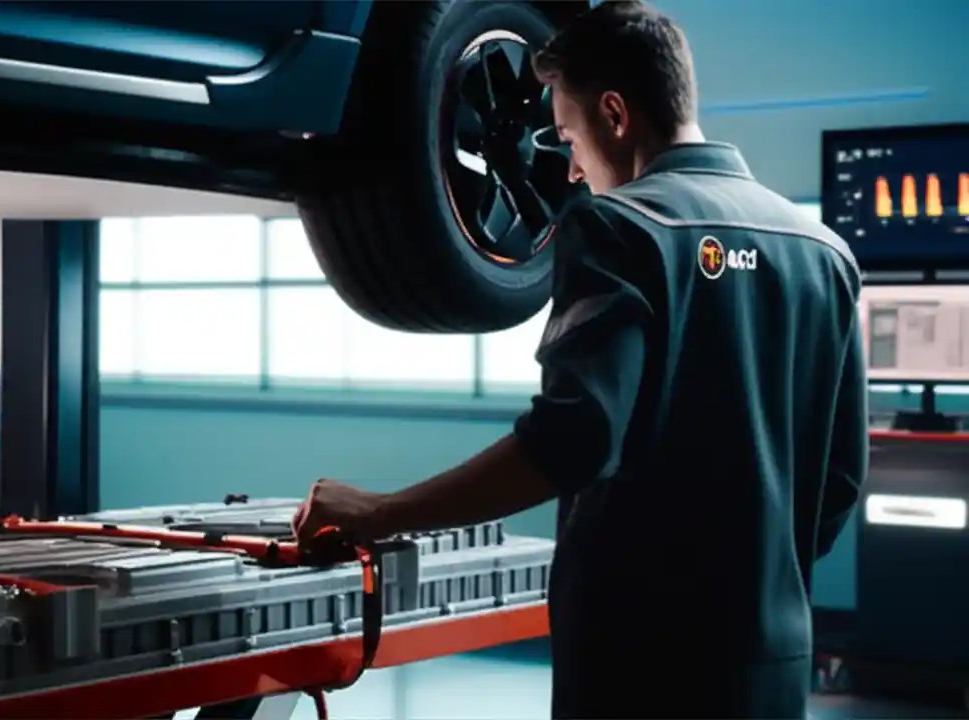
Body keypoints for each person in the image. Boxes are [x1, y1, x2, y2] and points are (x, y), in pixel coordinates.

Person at [292, 1, 868, 717]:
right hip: (773, 659)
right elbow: (840, 478)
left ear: (615, 115)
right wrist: (754, 580)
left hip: (638, 662)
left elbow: (574, 440)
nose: (567, 168)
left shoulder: (619, 227)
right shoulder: (825, 253)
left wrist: (382, 512)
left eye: (567, 134)